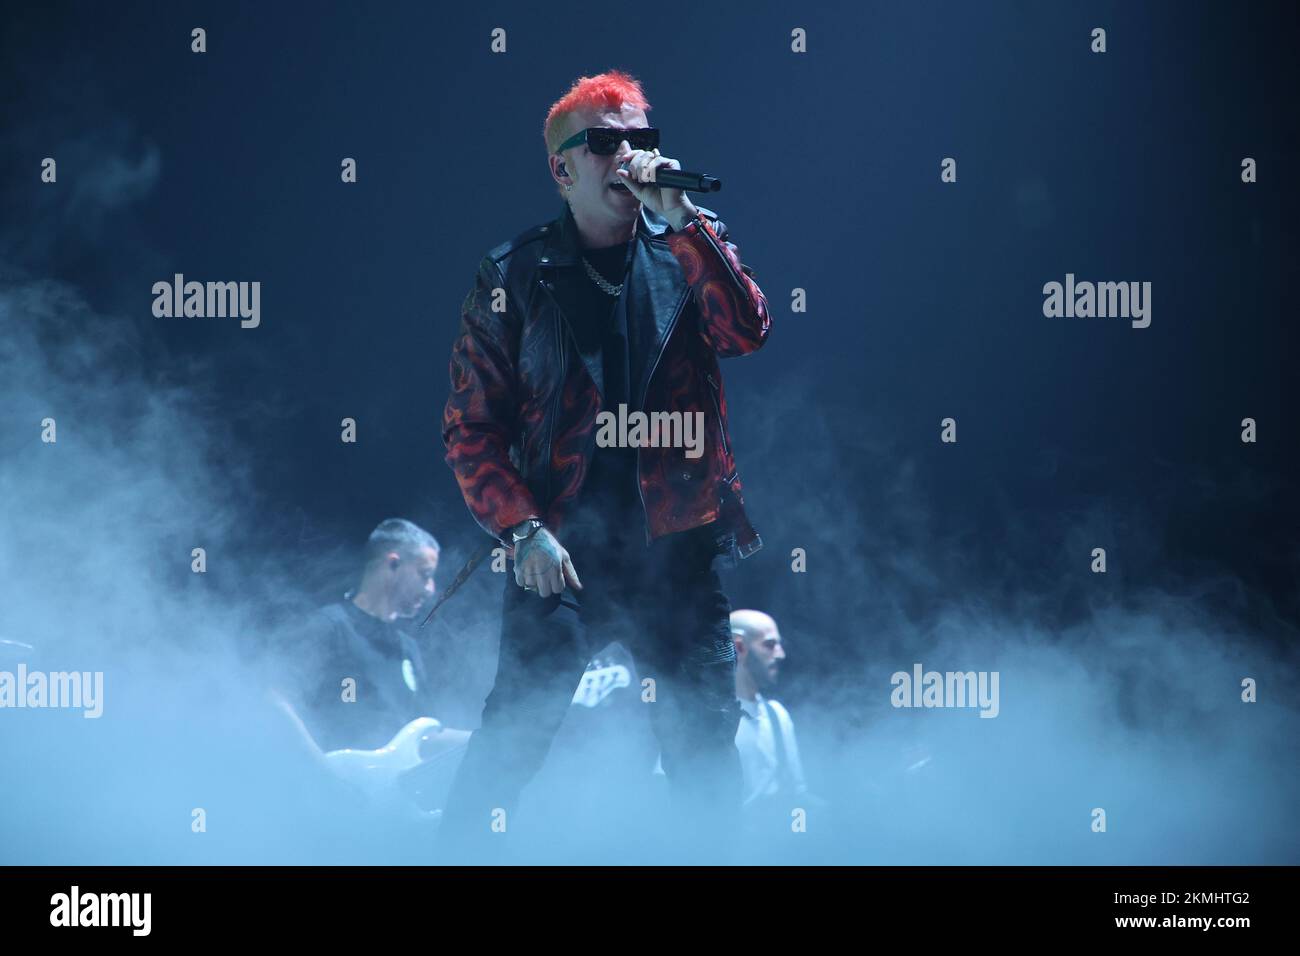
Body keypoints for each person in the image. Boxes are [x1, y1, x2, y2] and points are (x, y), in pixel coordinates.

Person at [438, 69, 771, 860]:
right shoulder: (513, 274)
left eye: (642, 139)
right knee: (512, 738)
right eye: (607, 142)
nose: (629, 156)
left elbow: (748, 331)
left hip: (676, 549)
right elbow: (470, 428)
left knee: (703, 748)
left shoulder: (690, 244)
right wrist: (521, 531)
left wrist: (686, 224)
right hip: (563, 551)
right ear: (562, 169)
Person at [730, 609, 811, 830]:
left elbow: (797, 794)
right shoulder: (710, 719)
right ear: (740, 647)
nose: (780, 654)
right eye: (769, 644)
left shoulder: (777, 715)